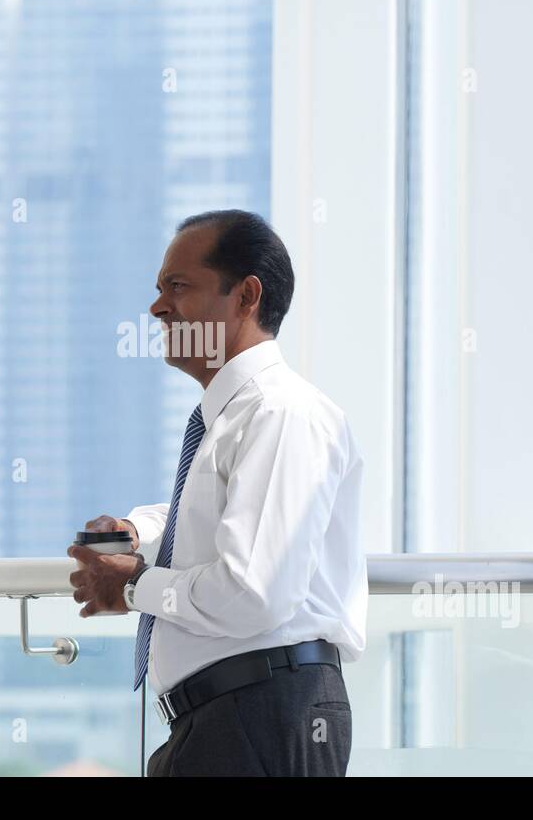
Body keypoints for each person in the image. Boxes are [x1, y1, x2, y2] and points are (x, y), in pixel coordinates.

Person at [68, 209, 367, 776]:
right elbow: (226, 520)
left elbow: (254, 591)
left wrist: (132, 585)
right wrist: (144, 534)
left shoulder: (280, 414)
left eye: (177, 287)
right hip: (231, 716)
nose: (157, 307)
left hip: (259, 714)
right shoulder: (239, 418)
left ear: (245, 296)